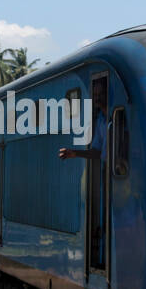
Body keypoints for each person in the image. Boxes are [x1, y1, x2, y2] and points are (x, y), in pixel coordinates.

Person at [58, 78, 108, 268]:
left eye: (99, 94)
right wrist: (75, 153)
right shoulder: (102, 120)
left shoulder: (119, 117)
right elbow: (97, 150)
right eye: (94, 95)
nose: (96, 98)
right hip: (106, 175)